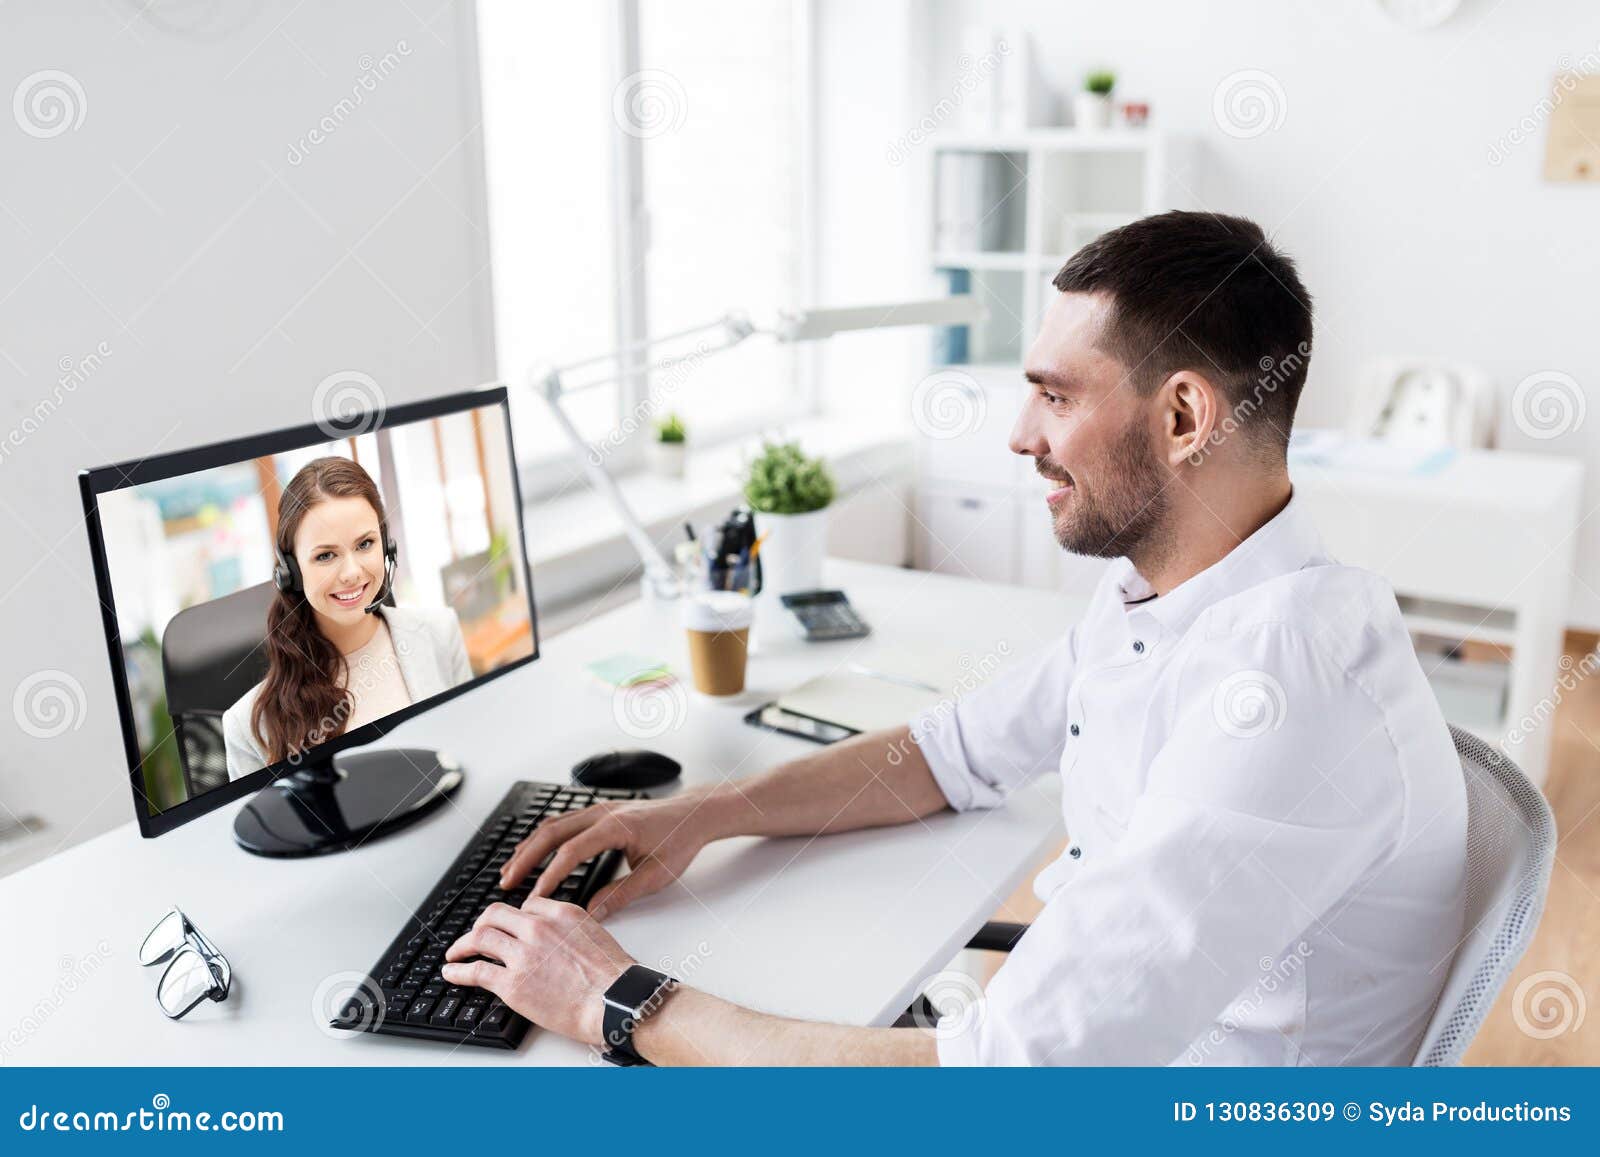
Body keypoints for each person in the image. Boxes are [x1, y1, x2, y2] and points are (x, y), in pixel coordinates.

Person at [440, 212, 1468, 1066]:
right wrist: (708, 812)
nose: (1020, 434)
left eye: (1056, 395)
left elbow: (1003, 1085)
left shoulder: (1281, 690)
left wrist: (621, 1002)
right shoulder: (1171, 592)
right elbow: (952, 752)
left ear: (1185, 416)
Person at [222, 457, 473, 778]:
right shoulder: (247, 727)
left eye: (365, 544)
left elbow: (473, 756)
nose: (352, 573)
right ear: (291, 571)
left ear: (387, 547)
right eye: (326, 555)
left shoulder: (441, 633)